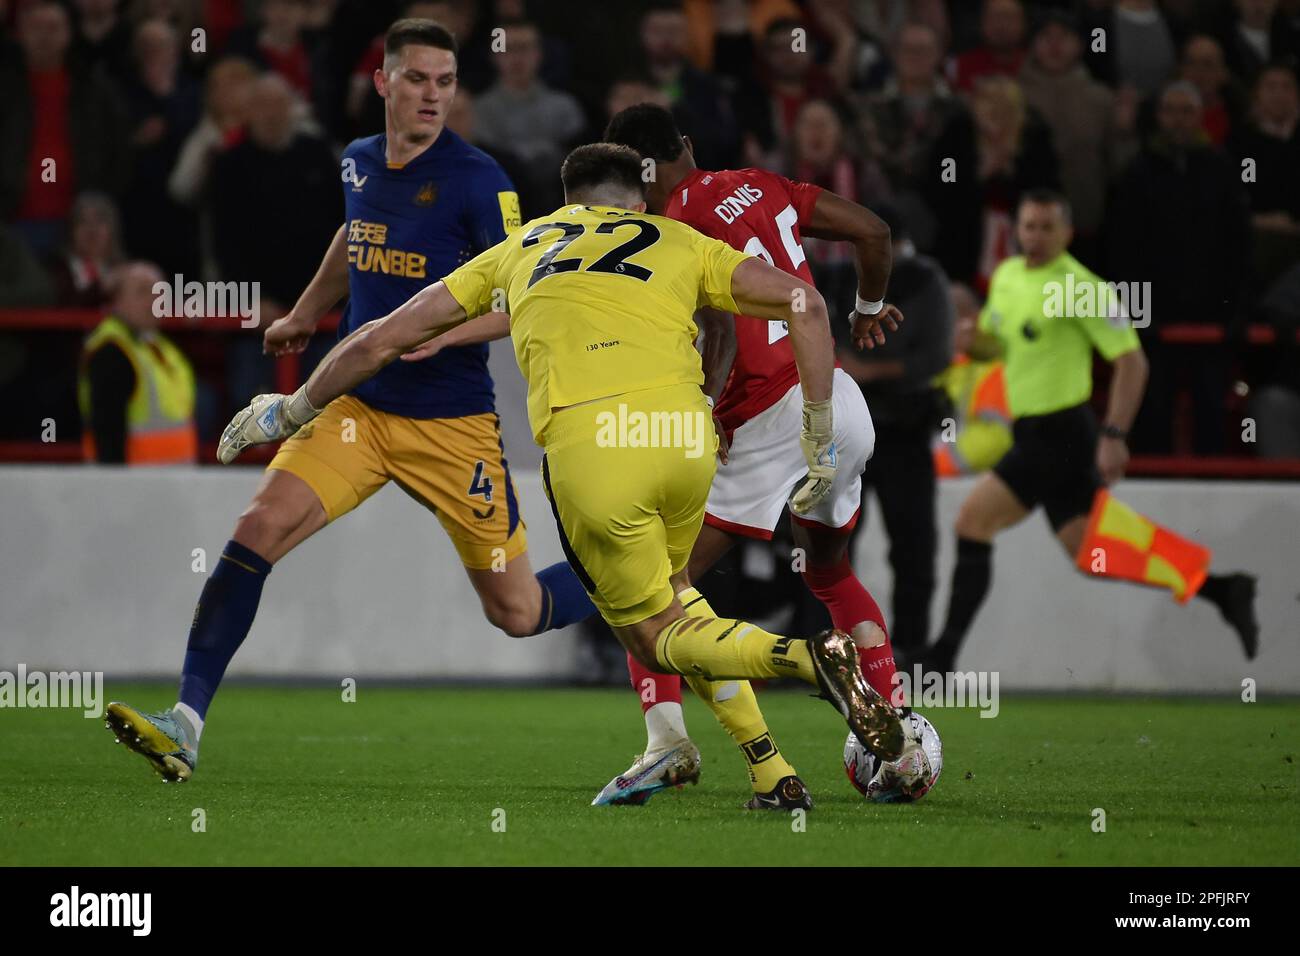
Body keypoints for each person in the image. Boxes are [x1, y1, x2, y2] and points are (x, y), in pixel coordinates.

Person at [216, 141, 912, 802]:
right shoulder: (682, 240)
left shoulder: (527, 245)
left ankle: (803, 659)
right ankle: (770, 772)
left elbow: (380, 338)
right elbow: (806, 302)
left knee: (655, 634)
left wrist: (291, 410)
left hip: (597, 448)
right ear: (639, 199)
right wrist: (818, 423)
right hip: (689, 440)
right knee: (679, 594)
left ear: (566, 201)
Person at [102, 19, 598, 783]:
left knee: (518, 611)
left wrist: (449, 336)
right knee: (256, 528)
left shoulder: (480, 181)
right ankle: (186, 723)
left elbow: (524, 294)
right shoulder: (360, 162)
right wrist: (304, 312)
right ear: (384, 82)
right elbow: (355, 236)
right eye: (418, 79)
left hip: (450, 426)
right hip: (357, 410)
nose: (432, 95)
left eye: (445, 82)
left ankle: (621, 574)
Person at [599, 103, 904, 808]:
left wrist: (704, 407)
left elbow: (722, 331)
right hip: (839, 403)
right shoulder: (762, 184)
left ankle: (671, 741)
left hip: (765, 417)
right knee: (828, 570)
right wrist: (867, 305)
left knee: (651, 587)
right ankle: (894, 734)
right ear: (688, 143)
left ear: (638, 174)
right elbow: (873, 231)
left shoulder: (669, 228)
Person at [919, 191, 1259, 676]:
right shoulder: (1009, 277)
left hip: (1061, 433)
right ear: (1017, 228)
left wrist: (1115, 433)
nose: (1035, 237)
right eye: (1028, 226)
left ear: (1067, 233)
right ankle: (1220, 587)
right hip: (1034, 431)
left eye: (1046, 228)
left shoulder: (1084, 288)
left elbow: (1132, 362)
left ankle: (941, 661)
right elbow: (1002, 346)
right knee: (1089, 552)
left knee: (972, 522)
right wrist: (975, 344)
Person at [839, 204, 953, 661]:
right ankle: (836, 651)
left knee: (911, 548)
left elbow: (935, 359)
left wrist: (865, 371)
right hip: (849, 432)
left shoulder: (924, 282)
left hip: (901, 429)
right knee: (830, 547)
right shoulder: (840, 277)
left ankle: (910, 650)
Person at [78, 261, 197, 465]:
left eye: (159, 292)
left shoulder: (161, 347)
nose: (154, 300)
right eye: (142, 292)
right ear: (116, 301)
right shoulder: (111, 352)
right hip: (132, 488)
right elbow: (107, 438)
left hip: (174, 484)